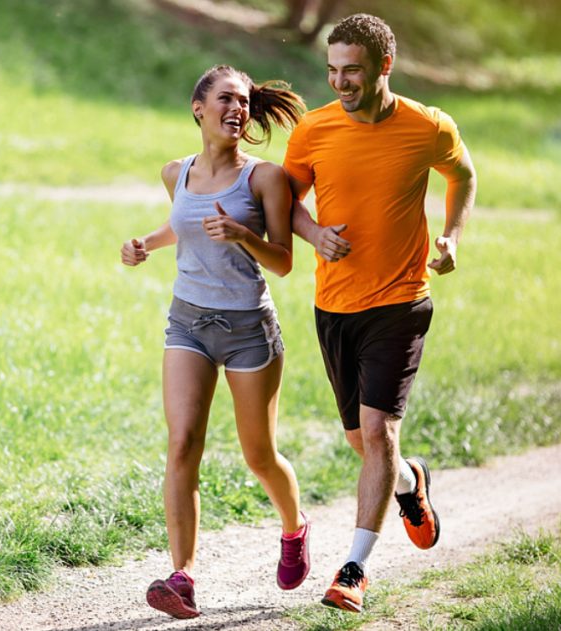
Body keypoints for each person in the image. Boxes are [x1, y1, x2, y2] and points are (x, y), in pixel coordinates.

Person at [284, 14, 477, 613]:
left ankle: (354, 569)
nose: (341, 81)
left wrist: (452, 238)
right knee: (360, 441)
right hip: (334, 304)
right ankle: (409, 483)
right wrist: (314, 232)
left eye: (353, 71)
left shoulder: (427, 125)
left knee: (377, 432)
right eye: (333, 70)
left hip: (400, 301)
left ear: (383, 67)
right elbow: (285, 202)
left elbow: (463, 175)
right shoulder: (314, 130)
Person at [121, 64, 309, 619]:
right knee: (182, 444)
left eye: (245, 102)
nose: (239, 109)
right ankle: (182, 577)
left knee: (259, 455)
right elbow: (183, 223)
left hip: (250, 330)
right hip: (188, 323)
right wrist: (146, 244)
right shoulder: (174, 172)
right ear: (198, 108)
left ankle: (295, 527)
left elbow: (284, 262)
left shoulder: (264, 179)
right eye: (227, 98)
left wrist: (243, 235)